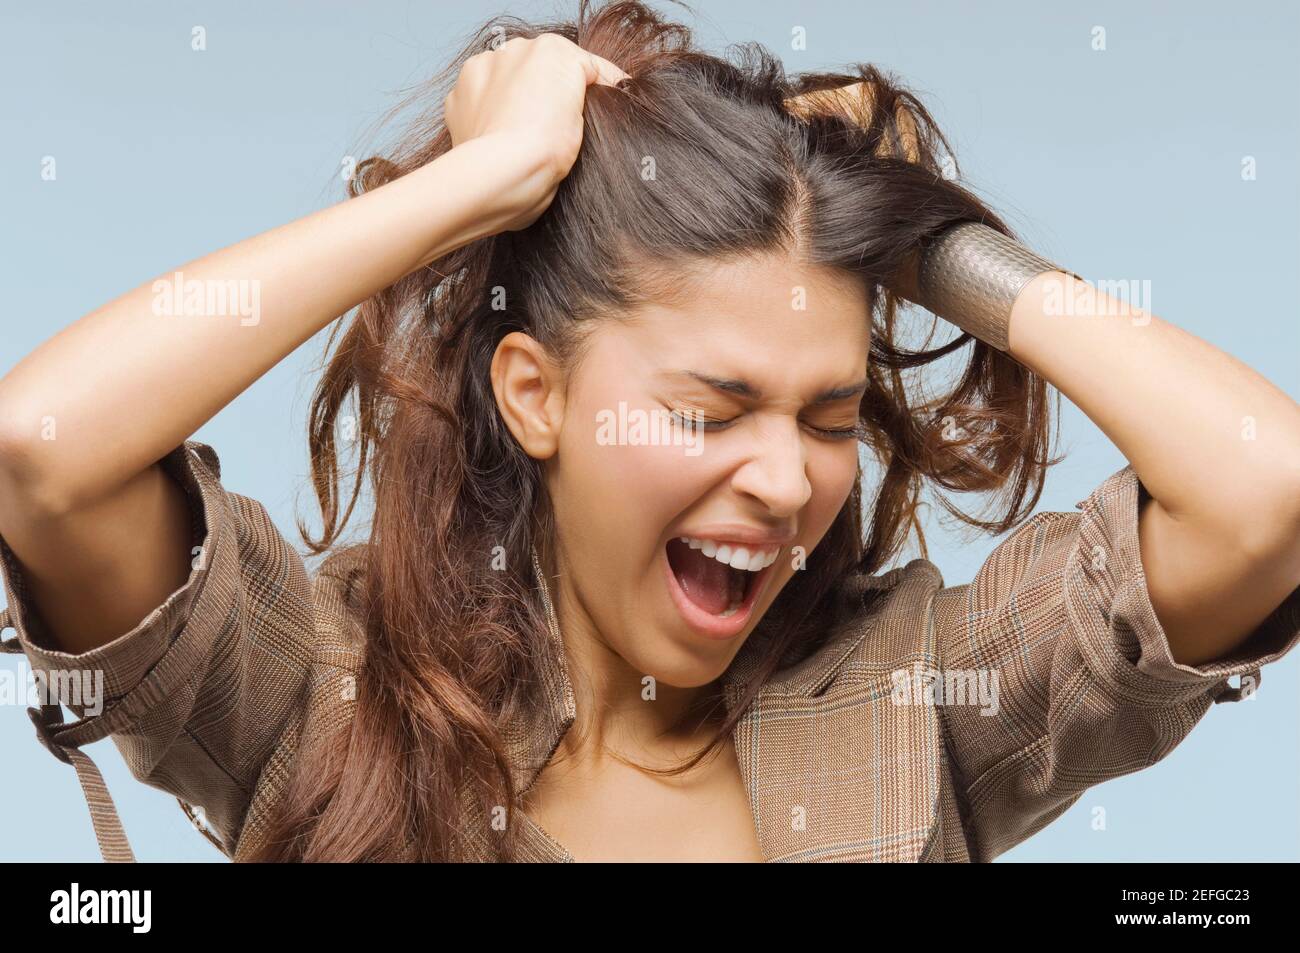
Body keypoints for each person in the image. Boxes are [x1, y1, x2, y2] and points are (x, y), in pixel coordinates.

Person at [1, 0, 1297, 863]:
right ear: (535, 394)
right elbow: (46, 449)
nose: (791, 478)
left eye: (830, 415)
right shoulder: (324, 691)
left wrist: (935, 243)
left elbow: (1266, 495)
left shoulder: (918, 702)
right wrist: (474, 187)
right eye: (707, 408)